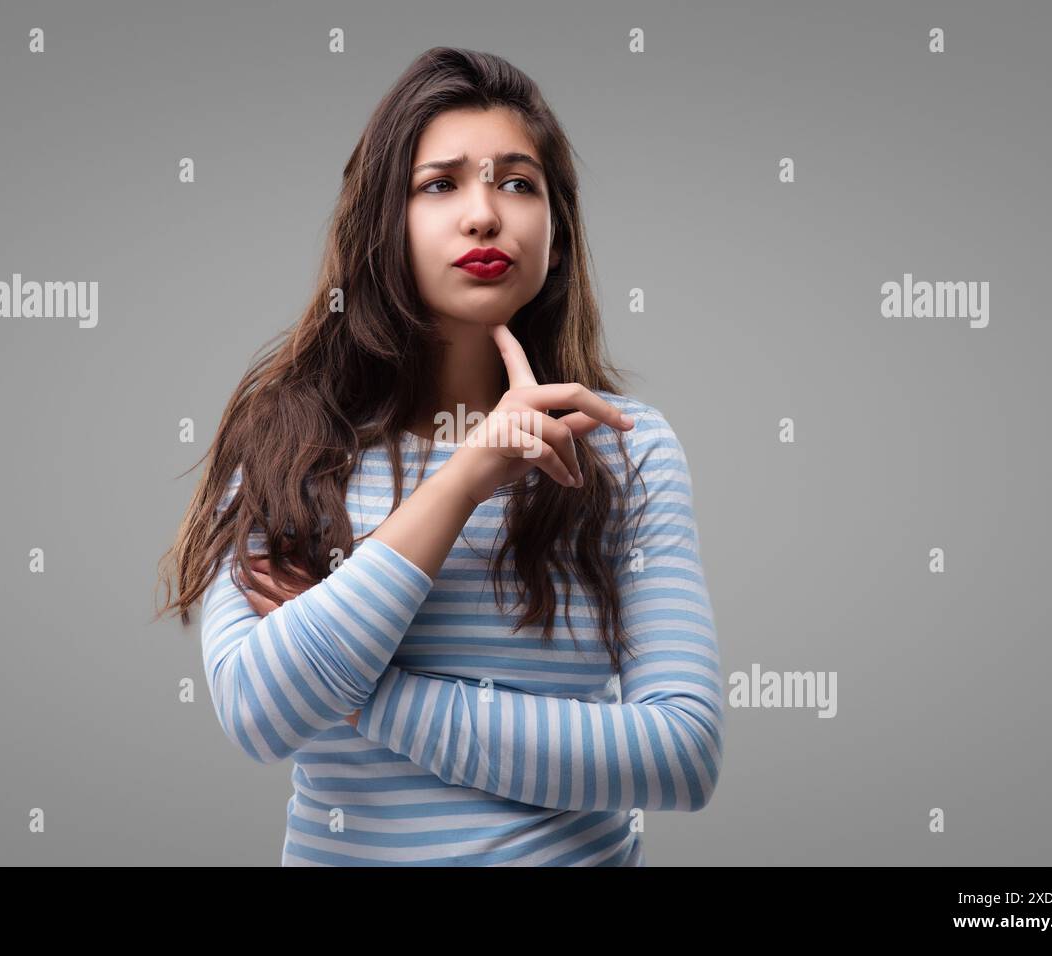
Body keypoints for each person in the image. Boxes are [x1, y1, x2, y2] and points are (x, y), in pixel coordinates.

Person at [154, 47, 724, 866]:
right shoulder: (287, 443)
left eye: (519, 184)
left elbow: (681, 755)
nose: (484, 216)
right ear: (385, 223)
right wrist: (466, 478)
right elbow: (258, 713)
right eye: (440, 184)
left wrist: (369, 699)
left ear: (557, 239)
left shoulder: (623, 450)